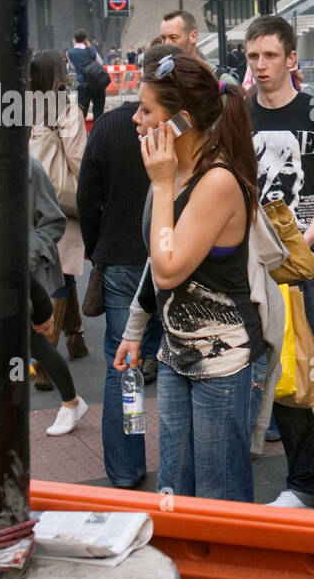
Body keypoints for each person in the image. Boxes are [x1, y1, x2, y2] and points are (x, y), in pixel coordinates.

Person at [116, 54, 279, 502]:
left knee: (217, 495)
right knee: (174, 488)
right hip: (175, 350)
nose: (135, 117)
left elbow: (168, 271)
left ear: (182, 121)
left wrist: (164, 185)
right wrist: (134, 330)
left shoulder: (217, 180)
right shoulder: (172, 170)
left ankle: (228, 572)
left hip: (222, 359)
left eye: (146, 110)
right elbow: (157, 256)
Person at [244, 14, 314, 506]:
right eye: (252, 56)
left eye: (269, 55)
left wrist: (302, 242)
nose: (260, 65)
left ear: (291, 59)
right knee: (288, 373)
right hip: (263, 268)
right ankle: (303, 482)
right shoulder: (241, 116)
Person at [77, 44, 172, 488]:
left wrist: (100, 248)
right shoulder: (183, 132)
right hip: (172, 258)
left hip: (120, 260)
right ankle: (178, 464)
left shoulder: (111, 126)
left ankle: (127, 465)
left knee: (125, 365)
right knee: (177, 361)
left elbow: (86, 199)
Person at [27, 50, 89, 380]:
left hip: (25, 198)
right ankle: (47, 365)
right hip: (58, 201)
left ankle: (75, 336)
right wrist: (93, 190)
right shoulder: (65, 108)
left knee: (61, 269)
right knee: (61, 271)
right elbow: (78, 156)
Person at [28, 156, 89, 437]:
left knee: (33, 341)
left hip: (19, 272)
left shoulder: (27, 167)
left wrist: (25, 253)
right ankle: (71, 401)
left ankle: (71, 401)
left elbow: (54, 221)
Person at [66, 29, 106, 123]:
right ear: (85, 39)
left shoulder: (69, 53)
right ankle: (97, 134)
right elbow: (100, 63)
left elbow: (72, 66)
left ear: (74, 40)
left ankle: (82, 135)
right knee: (98, 112)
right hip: (97, 84)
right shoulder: (92, 50)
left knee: (81, 113)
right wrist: (89, 47)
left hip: (83, 85)